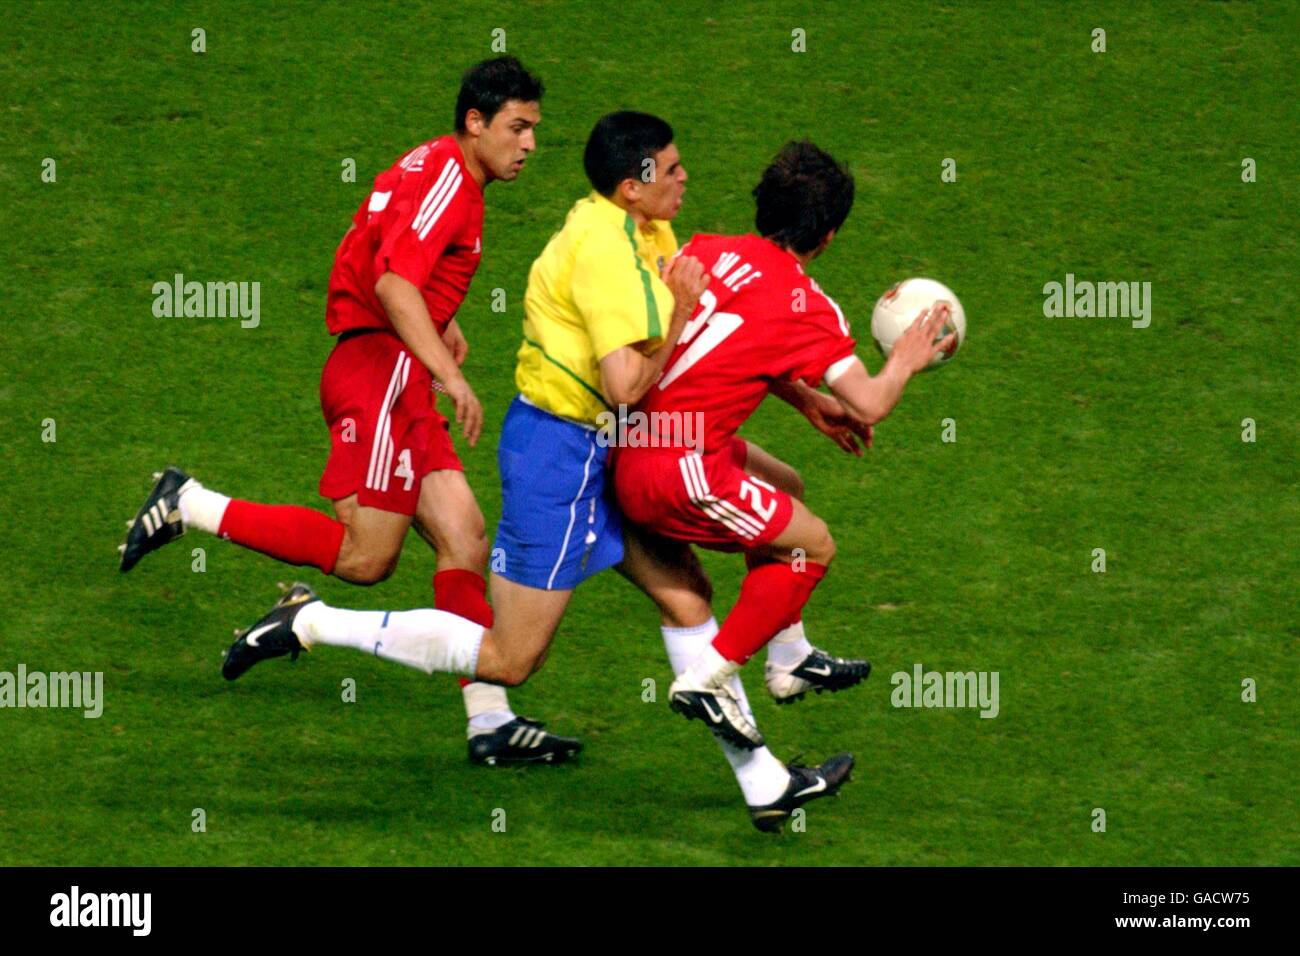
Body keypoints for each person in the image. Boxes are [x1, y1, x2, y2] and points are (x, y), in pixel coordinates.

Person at [225, 115, 874, 830]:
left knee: (689, 598)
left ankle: (766, 785)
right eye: (673, 167)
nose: (687, 176)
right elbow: (627, 383)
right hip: (560, 460)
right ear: (634, 187)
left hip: (614, 446)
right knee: (509, 658)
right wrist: (684, 312)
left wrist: (803, 397)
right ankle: (312, 621)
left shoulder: (650, 231)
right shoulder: (603, 249)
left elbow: (731, 333)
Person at [117, 57, 581, 766]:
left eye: (534, 130)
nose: (529, 145)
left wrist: (440, 326)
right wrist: (446, 371)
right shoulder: (451, 181)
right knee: (367, 557)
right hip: (381, 372)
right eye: (517, 128)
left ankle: (488, 718)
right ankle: (193, 506)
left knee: (463, 537)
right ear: (475, 122)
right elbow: (395, 283)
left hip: (395, 370)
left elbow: (381, 255)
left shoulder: (437, 170)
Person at [613, 140, 956, 753]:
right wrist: (905, 360)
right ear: (826, 237)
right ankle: (710, 678)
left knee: (786, 486)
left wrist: (806, 401)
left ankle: (791, 657)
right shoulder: (810, 307)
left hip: (635, 439)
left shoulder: (705, 248)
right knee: (815, 545)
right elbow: (871, 402)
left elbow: (732, 340)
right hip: (675, 473)